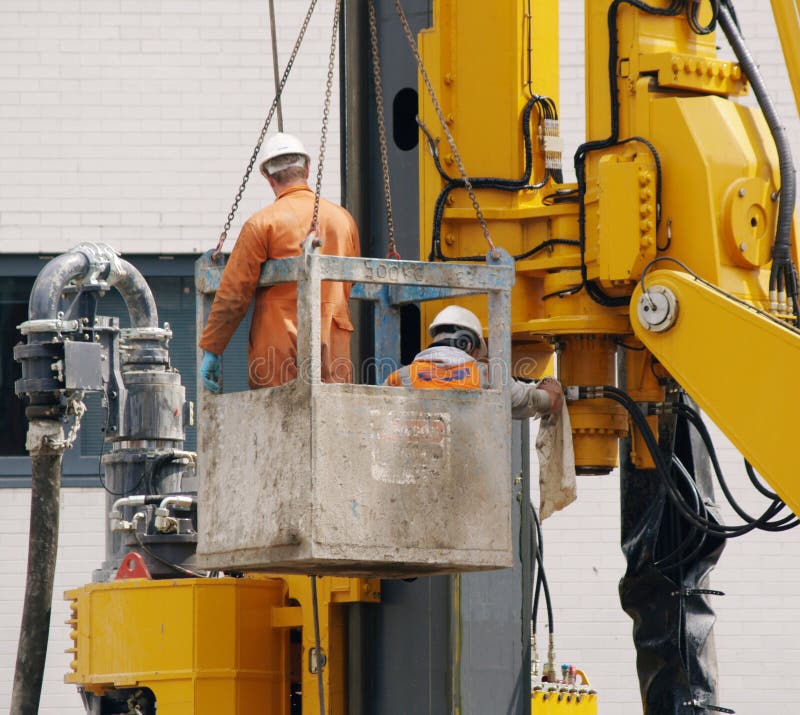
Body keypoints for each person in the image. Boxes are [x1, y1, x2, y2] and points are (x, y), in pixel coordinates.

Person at [199, 132, 360, 392]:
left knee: (279, 425)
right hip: (333, 349)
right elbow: (349, 281)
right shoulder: (344, 221)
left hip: (277, 355)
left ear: (269, 178)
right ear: (307, 169)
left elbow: (234, 293)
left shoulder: (262, 224)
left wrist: (213, 347)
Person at [385, 305, 563, 419]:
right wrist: (552, 391)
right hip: (471, 474)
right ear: (468, 344)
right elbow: (535, 401)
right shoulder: (486, 376)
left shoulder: (399, 378)